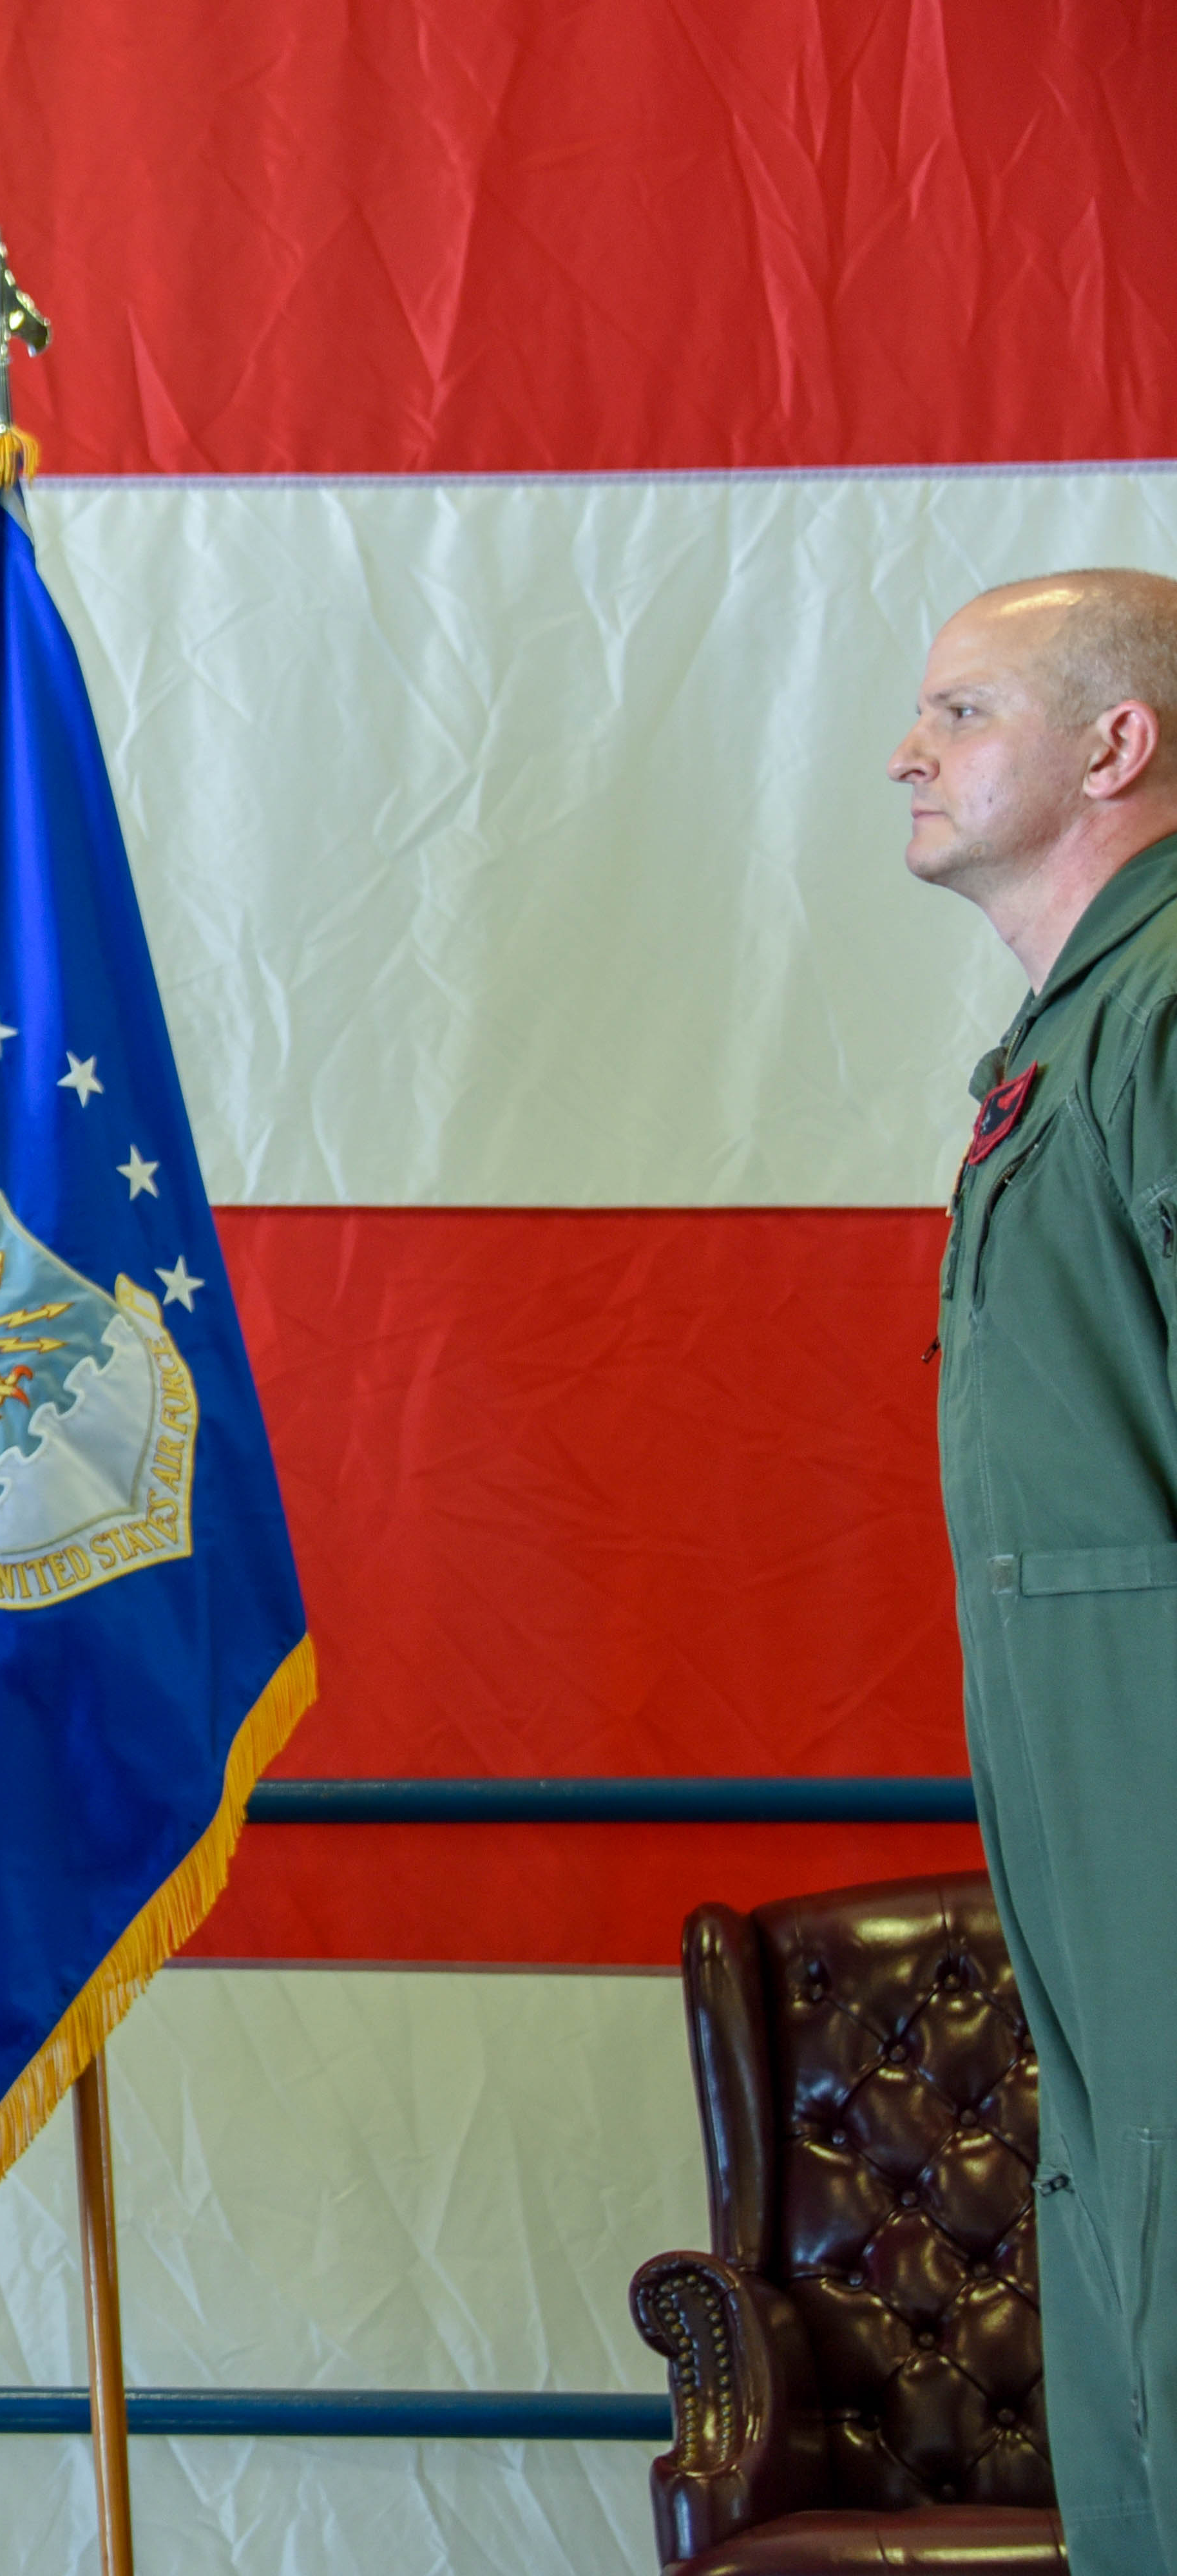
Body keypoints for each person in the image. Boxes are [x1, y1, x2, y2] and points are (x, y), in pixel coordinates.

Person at [897, 566, 1177, 2576]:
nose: (912, 750)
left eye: (967, 712)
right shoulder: (1072, 1036)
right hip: (1098, 1827)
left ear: (1115, 744)